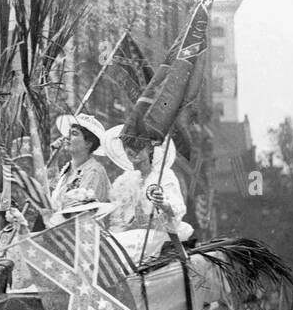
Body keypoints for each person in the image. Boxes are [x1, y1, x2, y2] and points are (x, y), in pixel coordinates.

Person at [106, 133, 193, 264]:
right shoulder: (124, 180)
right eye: (128, 147)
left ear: (150, 149)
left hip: (158, 235)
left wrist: (163, 204)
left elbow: (177, 207)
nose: (132, 152)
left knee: (125, 246)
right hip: (132, 235)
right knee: (109, 245)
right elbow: (118, 219)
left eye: (138, 147)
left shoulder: (164, 176)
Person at [48, 113, 111, 223]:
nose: (67, 137)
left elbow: (82, 211)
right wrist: (54, 157)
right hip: (59, 229)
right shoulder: (68, 168)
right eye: (69, 133)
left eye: (74, 134)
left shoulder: (94, 171)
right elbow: (52, 189)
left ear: (88, 143)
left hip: (81, 231)